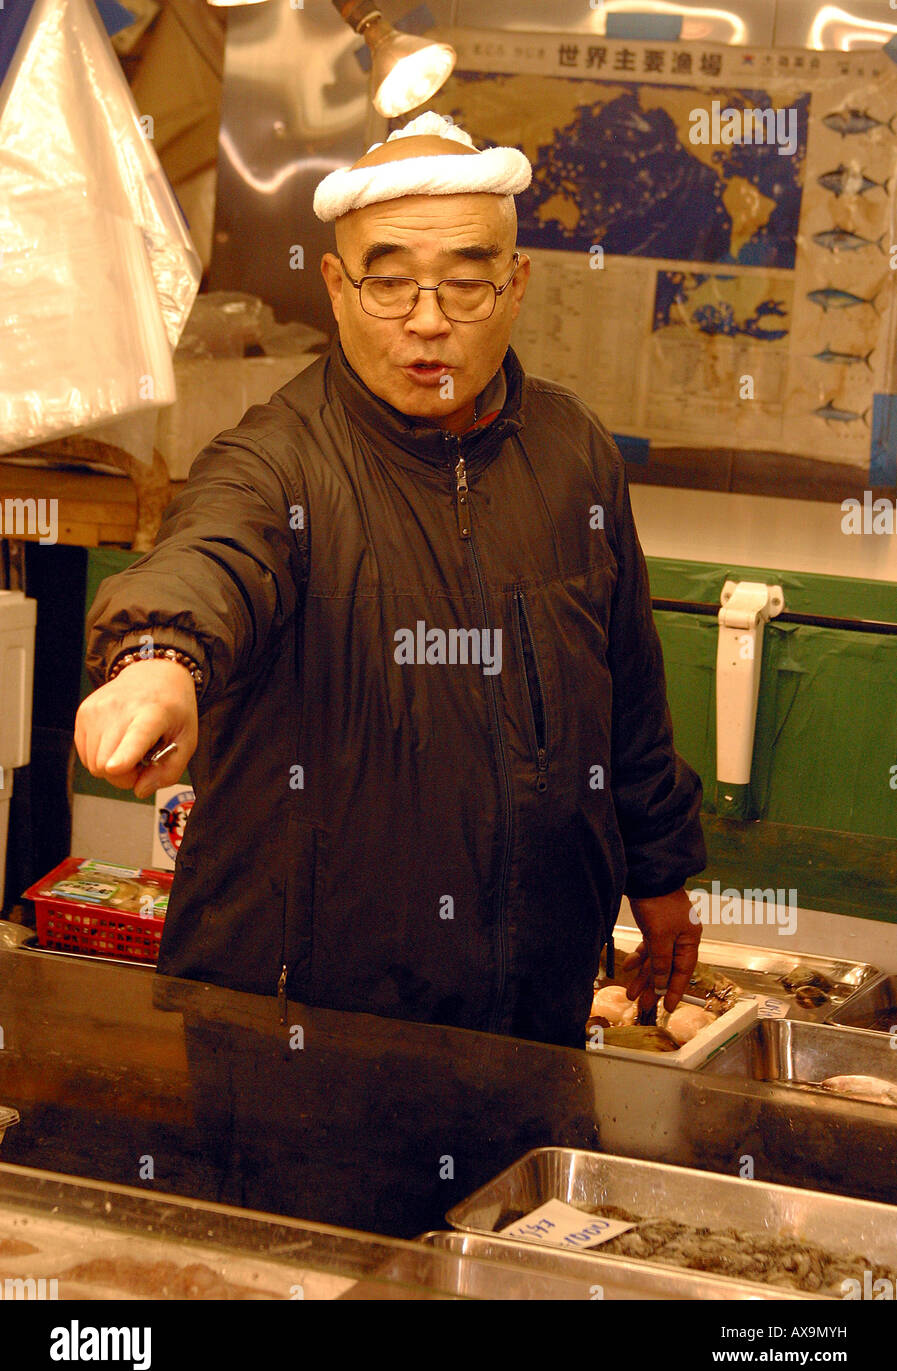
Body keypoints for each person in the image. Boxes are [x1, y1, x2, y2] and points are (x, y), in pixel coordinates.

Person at [75, 111, 706, 1048]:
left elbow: (628, 697)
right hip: (299, 1014)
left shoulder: (574, 453)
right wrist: (160, 659)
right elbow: (209, 557)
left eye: (464, 280)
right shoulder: (275, 463)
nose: (427, 318)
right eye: (389, 281)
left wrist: (659, 874)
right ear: (336, 286)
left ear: (516, 283)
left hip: (533, 1008)